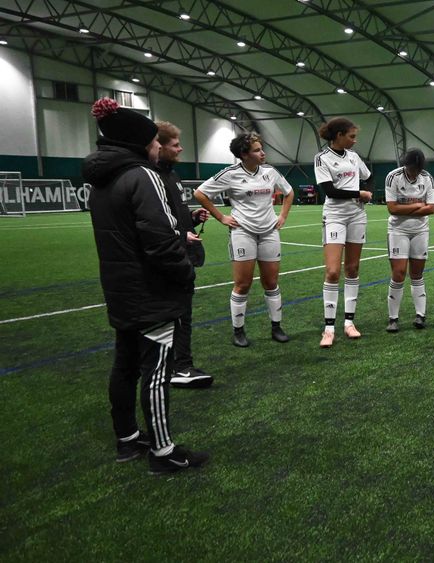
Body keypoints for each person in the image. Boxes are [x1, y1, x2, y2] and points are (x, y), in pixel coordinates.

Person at [83, 98, 208, 474]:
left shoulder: (102, 178)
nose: (159, 147)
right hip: (150, 290)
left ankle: (127, 440)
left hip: (120, 288)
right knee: (155, 372)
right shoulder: (144, 175)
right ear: (141, 144)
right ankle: (163, 452)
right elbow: (160, 239)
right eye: (155, 141)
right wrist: (185, 273)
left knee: (124, 365)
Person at [194, 133, 294, 348]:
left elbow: (289, 192)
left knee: (271, 282)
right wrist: (221, 217)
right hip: (243, 233)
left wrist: (283, 216)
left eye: (261, 148)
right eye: (257, 150)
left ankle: (276, 327)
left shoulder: (270, 172)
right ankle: (238, 331)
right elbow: (200, 193)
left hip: (269, 232)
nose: (262, 153)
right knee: (242, 284)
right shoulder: (230, 174)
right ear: (244, 154)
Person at [156, 121, 213, 389]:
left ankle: (177, 365)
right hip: (170, 256)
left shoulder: (172, 174)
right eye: (175, 144)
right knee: (177, 314)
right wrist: (180, 236)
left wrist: (190, 218)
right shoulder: (151, 177)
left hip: (183, 255)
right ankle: (180, 366)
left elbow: (172, 214)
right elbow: (149, 222)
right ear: (160, 146)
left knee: (181, 314)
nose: (181, 148)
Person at [315, 117, 372, 346]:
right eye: (351, 136)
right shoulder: (322, 159)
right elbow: (330, 191)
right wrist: (359, 194)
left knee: (353, 268)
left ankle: (349, 323)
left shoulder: (354, 157)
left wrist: (365, 192)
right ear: (339, 135)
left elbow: (368, 177)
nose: (354, 140)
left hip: (357, 216)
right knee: (332, 272)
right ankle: (328, 328)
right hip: (335, 216)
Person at [384, 148, 434, 332]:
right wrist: (417, 205)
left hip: (420, 230)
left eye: (417, 169)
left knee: (417, 274)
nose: (414, 172)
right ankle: (393, 318)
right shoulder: (393, 176)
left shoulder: (427, 178)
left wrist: (405, 207)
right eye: (411, 168)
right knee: (398, 273)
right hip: (398, 230)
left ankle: (420, 315)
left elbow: (431, 209)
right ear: (405, 164)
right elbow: (392, 209)